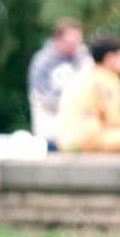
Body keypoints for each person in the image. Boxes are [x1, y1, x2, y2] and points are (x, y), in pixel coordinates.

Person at [57, 35, 120, 153]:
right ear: (110, 58)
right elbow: (114, 120)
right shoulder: (109, 78)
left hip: (66, 142)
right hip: (89, 141)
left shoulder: (83, 75)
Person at [28, 18, 90, 150]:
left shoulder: (83, 56)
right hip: (51, 128)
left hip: (79, 128)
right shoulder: (42, 61)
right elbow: (43, 97)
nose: (75, 47)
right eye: (71, 43)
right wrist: (73, 104)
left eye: (78, 42)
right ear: (57, 39)